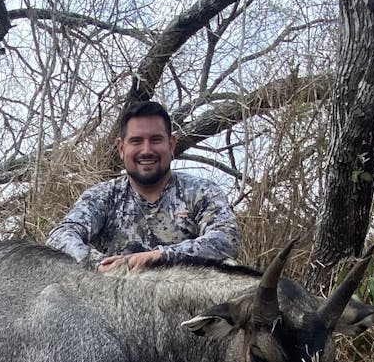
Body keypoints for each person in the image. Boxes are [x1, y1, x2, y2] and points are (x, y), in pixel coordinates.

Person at [46, 101, 240, 273]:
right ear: (121, 148)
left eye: (155, 140)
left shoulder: (201, 191)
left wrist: (158, 256)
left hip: (187, 296)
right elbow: (59, 236)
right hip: (115, 295)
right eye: (136, 141)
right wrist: (99, 265)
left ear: (171, 144)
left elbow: (227, 239)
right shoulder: (102, 196)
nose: (146, 150)